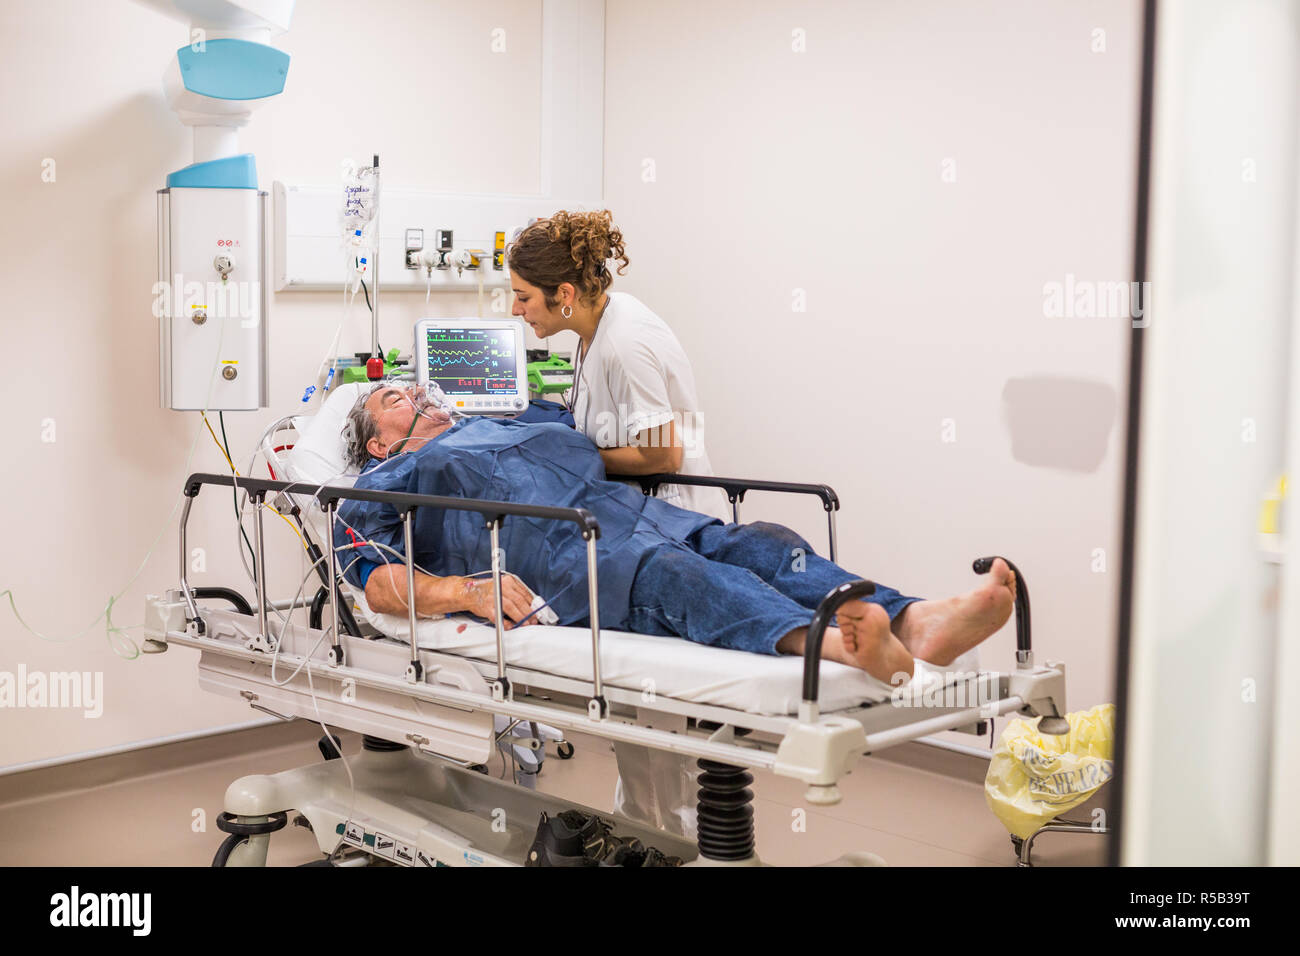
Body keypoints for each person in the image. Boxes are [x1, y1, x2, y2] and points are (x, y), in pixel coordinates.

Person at [336, 384, 1016, 691]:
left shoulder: (512, 418)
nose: (419, 393)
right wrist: (463, 591)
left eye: (418, 386)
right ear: (377, 441)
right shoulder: (383, 483)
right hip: (576, 559)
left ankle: (916, 620)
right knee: (684, 580)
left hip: (640, 514)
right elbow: (375, 583)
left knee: (765, 543)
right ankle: (838, 646)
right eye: (395, 398)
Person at [507, 210, 731, 523]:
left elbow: (664, 454)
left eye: (523, 297)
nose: (515, 309)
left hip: (677, 525)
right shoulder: (598, 324)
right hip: (639, 517)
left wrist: (571, 457)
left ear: (564, 294)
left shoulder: (623, 344)